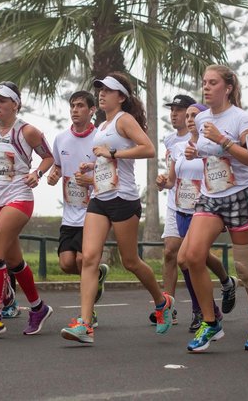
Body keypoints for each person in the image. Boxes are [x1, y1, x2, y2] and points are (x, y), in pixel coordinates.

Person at [61, 73, 171, 344]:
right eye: (100, 89)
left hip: (123, 198)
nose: (101, 94)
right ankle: (85, 325)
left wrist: (112, 154)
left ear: (121, 96)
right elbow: (106, 159)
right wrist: (92, 165)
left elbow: (148, 149)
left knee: (130, 261)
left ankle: (162, 301)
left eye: (107, 90)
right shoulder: (102, 125)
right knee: (89, 258)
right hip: (100, 197)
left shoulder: (124, 120)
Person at [179, 64, 248, 352]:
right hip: (210, 196)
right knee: (192, 257)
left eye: (213, 83)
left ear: (228, 88)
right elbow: (204, 152)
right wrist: (194, 151)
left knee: (244, 269)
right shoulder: (201, 118)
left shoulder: (241, 118)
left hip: (240, 196)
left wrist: (223, 140)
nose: (206, 87)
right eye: (204, 82)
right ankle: (211, 322)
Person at [0, 81, 55, 339]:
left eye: (3, 101)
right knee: (14, 260)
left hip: (18, 196)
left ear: (16, 104)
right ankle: (38, 308)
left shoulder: (27, 131)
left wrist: (37, 173)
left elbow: (48, 157)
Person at [155, 94, 237, 324]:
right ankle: (217, 295)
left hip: (204, 210)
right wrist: (162, 182)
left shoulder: (213, 146)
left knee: (186, 259)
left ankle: (203, 310)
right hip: (181, 209)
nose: (190, 119)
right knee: (191, 259)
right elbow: (172, 181)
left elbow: (223, 177)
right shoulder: (177, 147)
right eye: (188, 116)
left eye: (195, 115)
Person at [46, 91, 110, 314]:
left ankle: (88, 313)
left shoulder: (100, 138)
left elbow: (111, 174)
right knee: (66, 264)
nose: (75, 110)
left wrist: (91, 180)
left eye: (80, 105)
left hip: (94, 212)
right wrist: (53, 175)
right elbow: (57, 166)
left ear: (92, 110)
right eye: (72, 105)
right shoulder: (61, 139)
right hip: (70, 213)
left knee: (84, 260)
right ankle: (97, 275)